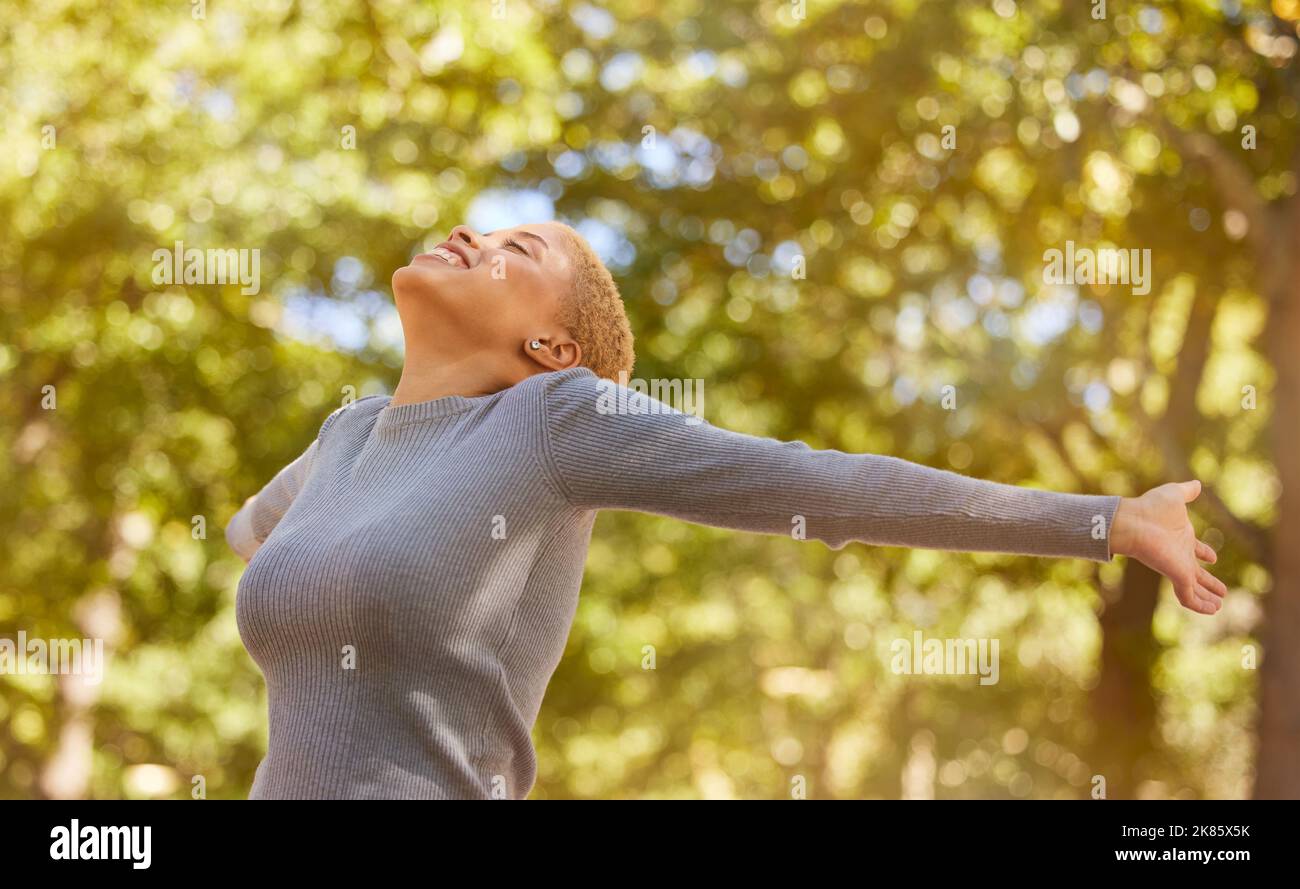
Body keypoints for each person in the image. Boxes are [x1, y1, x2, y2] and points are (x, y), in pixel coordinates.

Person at [225, 221, 1225, 799]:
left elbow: (816, 488)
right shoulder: (344, 437)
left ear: (552, 348)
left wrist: (1106, 519)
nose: (469, 235)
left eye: (512, 248)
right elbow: (258, 540)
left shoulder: (553, 421)